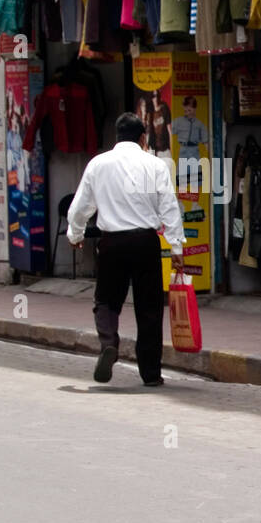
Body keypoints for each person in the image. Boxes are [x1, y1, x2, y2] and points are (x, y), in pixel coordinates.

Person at [67, 112, 185, 386]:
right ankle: (151, 374)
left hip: (112, 244)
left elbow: (81, 206)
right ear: (143, 138)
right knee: (150, 308)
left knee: (106, 300)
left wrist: (76, 234)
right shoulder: (155, 165)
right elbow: (169, 207)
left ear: (116, 137)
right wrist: (177, 246)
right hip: (145, 243)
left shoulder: (99, 164)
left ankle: (109, 343)